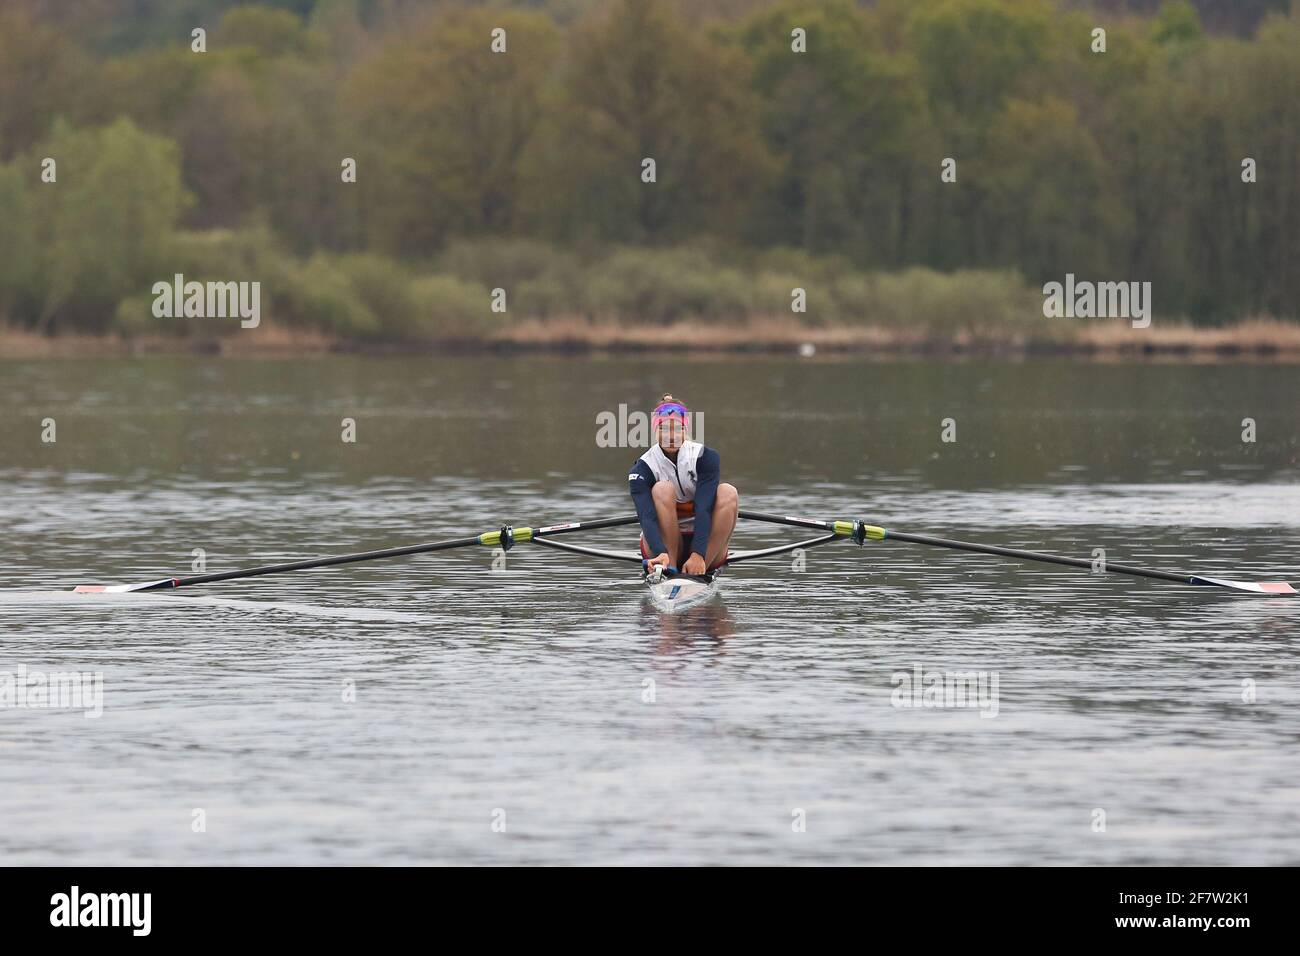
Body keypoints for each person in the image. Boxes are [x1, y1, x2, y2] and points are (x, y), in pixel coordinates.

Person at [628, 394, 738, 576]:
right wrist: (659, 550)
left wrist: (698, 553)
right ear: (655, 430)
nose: (671, 436)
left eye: (678, 429)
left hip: (707, 544)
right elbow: (646, 516)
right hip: (662, 545)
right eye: (663, 429)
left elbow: (704, 508)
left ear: (685, 429)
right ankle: (668, 564)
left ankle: (700, 566)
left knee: (728, 492)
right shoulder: (643, 468)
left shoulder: (705, 457)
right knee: (662, 489)